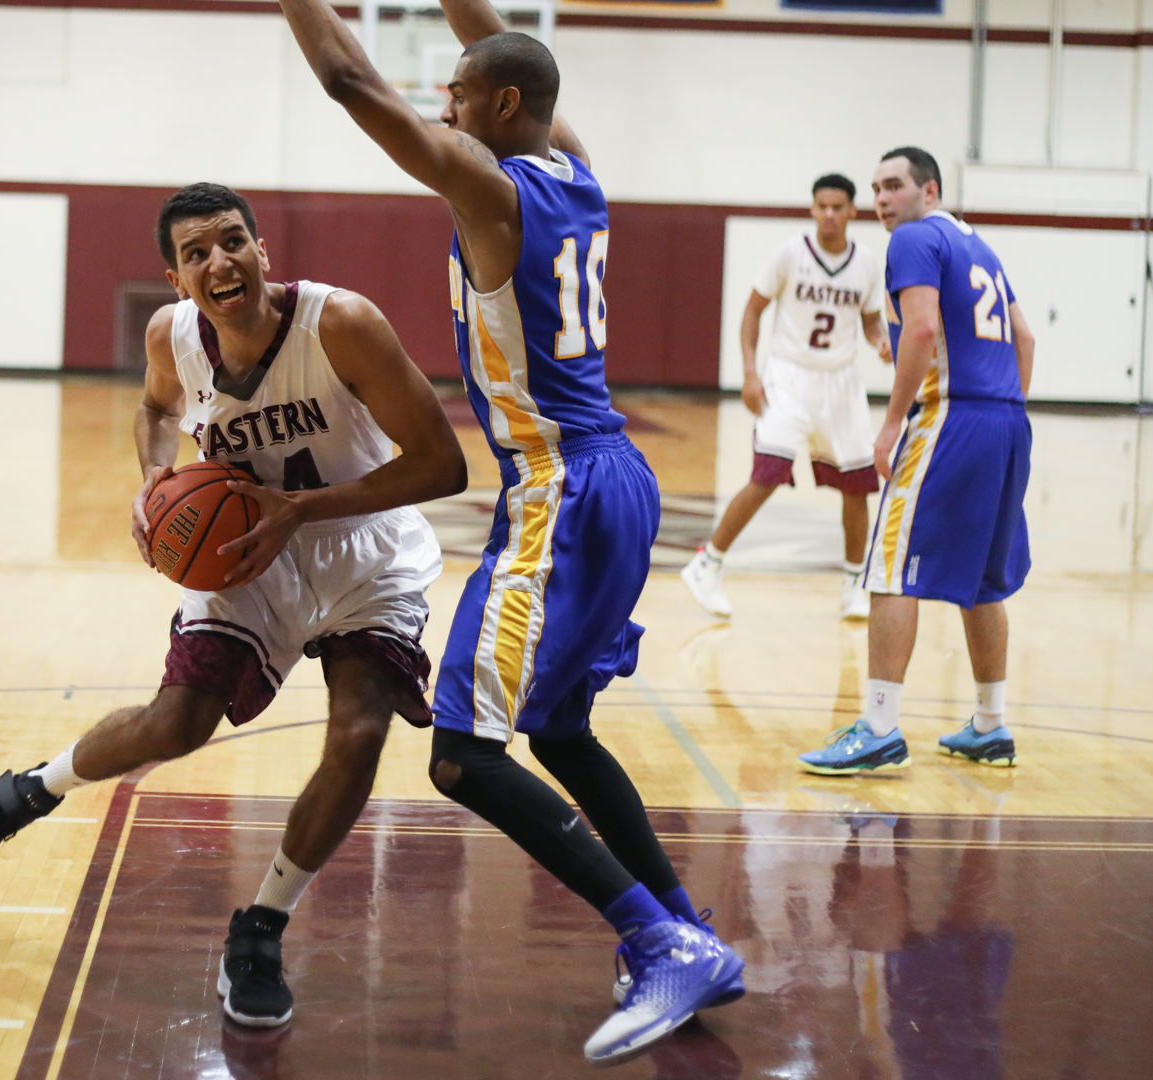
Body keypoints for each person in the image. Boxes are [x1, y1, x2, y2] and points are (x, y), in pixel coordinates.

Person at [273, 0, 745, 1063]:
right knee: (562, 731)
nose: (441, 103)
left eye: (457, 92)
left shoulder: (491, 192)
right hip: (618, 479)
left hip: (557, 490)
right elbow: (509, 52)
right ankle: (688, 931)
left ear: (503, 105)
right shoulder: (575, 167)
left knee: (463, 757)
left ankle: (656, 939)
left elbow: (355, 89)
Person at [0, 183, 467, 1030]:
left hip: (363, 545)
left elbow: (442, 466)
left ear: (263, 251)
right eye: (197, 253)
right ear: (175, 278)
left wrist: (300, 512)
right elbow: (155, 408)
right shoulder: (171, 335)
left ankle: (263, 923)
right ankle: (32, 789)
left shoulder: (341, 324)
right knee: (178, 723)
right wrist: (153, 480)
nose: (220, 262)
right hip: (248, 548)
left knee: (361, 730)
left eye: (233, 242)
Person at [797, 147, 1034, 777]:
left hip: (951, 419)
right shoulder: (977, 244)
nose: (882, 199)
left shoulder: (913, 239)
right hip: (1006, 418)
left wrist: (895, 421)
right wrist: (1005, 408)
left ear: (929, 190)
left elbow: (923, 329)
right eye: (875, 188)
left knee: (891, 564)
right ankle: (990, 724)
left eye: (894, 186)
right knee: (982, 578)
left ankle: (878, 726)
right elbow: (1025, 337)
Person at [681, 173, 892, 621]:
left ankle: (854, 585)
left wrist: (880, 340)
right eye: (822, 206)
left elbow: (870, 319)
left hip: (841, 383)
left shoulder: (868, 263)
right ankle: (707, 564)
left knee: (856, 487)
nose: (829, 214)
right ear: (812, 209)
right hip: (788, 377)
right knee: (768, 474)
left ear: (853, 211)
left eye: (838, 207)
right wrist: (751, 372)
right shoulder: (790, 253)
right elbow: (753, 310)